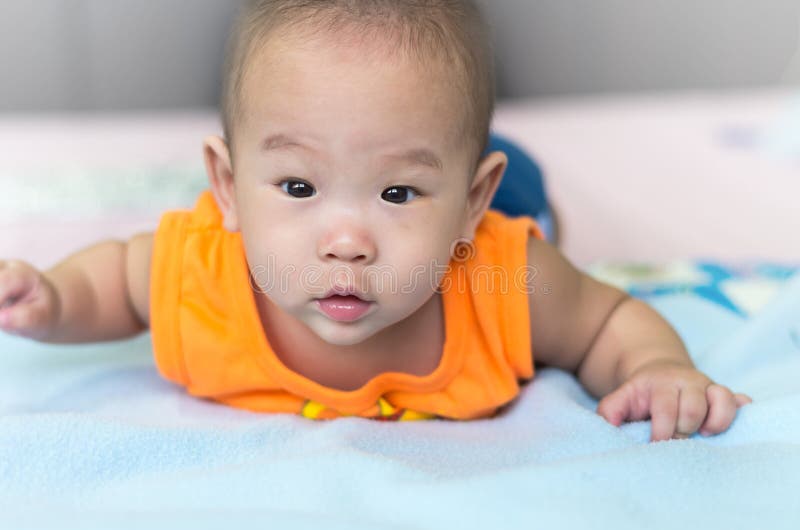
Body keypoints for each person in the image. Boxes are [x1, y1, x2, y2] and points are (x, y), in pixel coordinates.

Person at [0, 0, 750, 439]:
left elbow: (606, 321)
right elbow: (118, 283)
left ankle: (492, 176)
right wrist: (54, 300)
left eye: (395, 195)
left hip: (502, 200)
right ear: (227, 187)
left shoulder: (503, 277)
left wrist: (657, 369)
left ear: (469, 204)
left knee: (526, 191)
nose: (347, 243)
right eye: (297, 185)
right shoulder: (204, 268)